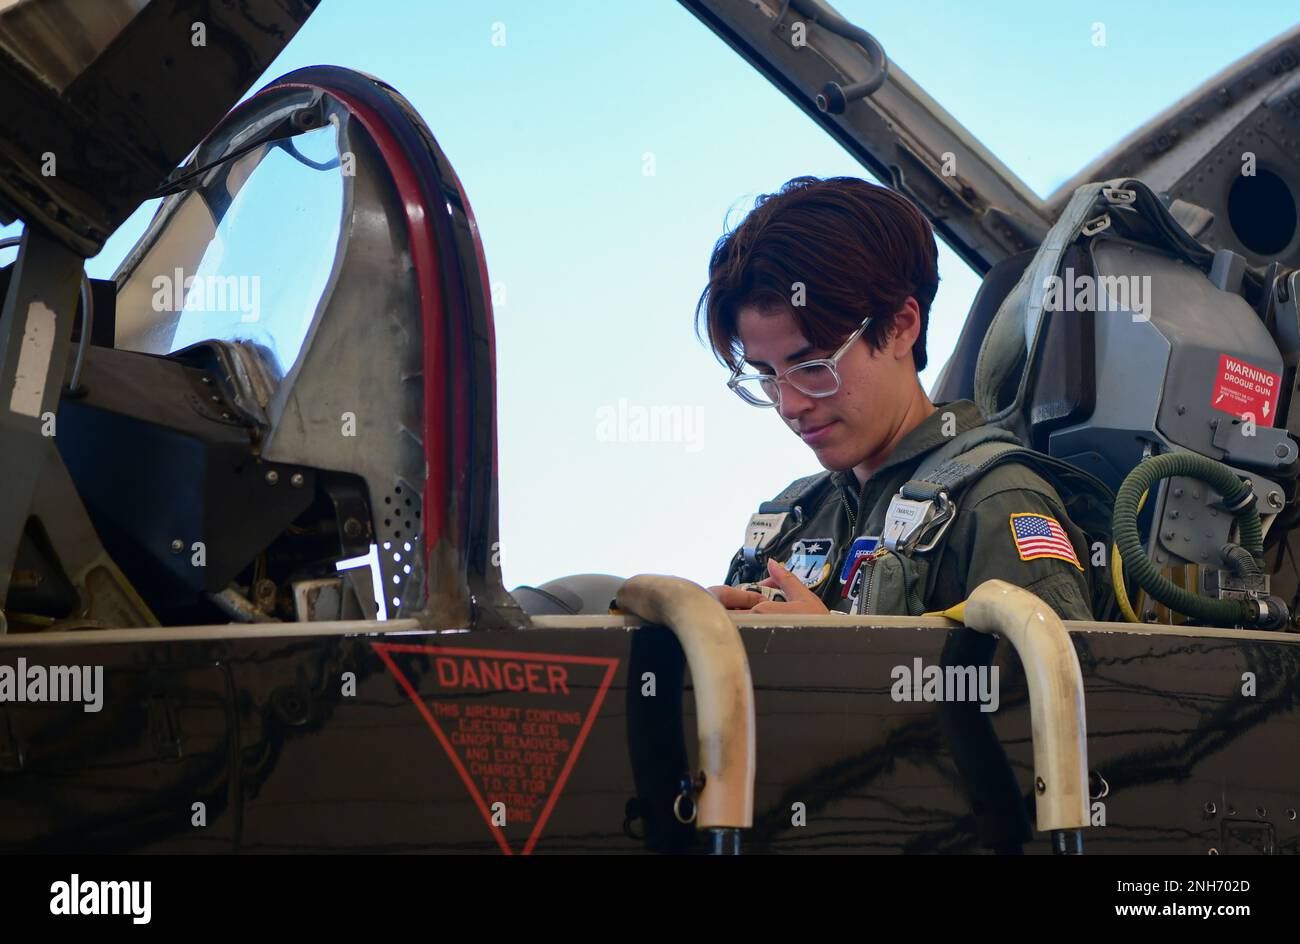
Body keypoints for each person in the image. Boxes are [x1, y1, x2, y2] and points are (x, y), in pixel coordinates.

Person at [696, 176, 1096, 620]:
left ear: (902, 326)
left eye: (813, 367)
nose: (789, 406)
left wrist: (830, 661)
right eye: (766, 374)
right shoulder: (791, 524)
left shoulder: (997, 505)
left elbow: (1063, 686)